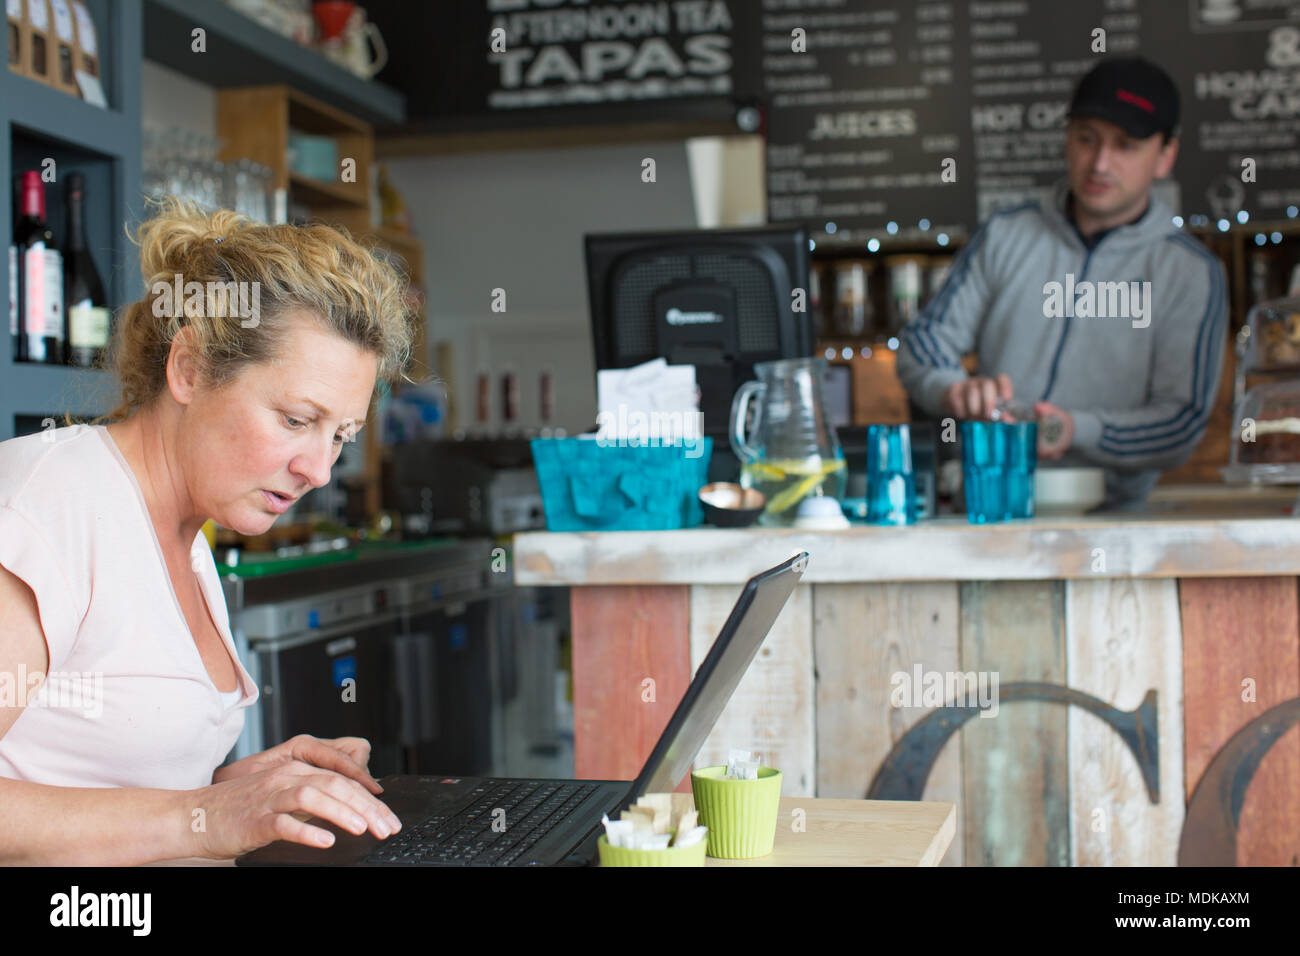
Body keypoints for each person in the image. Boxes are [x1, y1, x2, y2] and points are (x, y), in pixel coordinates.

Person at [0, 198, 418, 863]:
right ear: (189, 368)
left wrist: (249, 790)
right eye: (294, 419)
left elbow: (97, 783)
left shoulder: (187, 528)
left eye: (341, 435)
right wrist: (201, 813)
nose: (319, 469)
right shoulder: (46, 507)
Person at [896, 56, 1229, 510]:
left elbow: (1180, 425)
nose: (1100, 163)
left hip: (1113, 526)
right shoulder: (1005, 234)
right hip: (988, 507)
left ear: (1165, 155)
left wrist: (1077, 429)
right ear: (1066, 138)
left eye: (1125, 145)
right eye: (1086, 139)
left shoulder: (1189, 272)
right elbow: (923, 341)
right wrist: (954, 388)